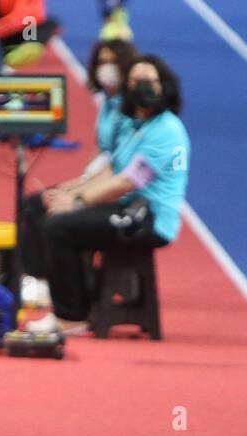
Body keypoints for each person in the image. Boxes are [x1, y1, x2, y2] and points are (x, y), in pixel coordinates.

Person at [31, 54, 188, 332]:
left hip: (148, 220)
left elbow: (128, 182)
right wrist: (73, 189)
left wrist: (77, 202)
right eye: (136, 80)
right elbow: (111, 169)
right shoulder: (133, 125)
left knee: (59, 226)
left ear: (164, 86)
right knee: (40, 206)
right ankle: (49, 286)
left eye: (149, 80)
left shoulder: (167, 130)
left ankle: (71, 316)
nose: (142, 86)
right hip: (125, 208)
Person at [18, 37, 136, 322]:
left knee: (53, 217)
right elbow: (100, 152)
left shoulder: (130, 109)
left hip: (115, 193)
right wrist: (78, 181)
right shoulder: (108, 103)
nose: (107, 68)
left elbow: (119, 168)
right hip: (97, 179)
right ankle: (41, 281)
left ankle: (68, 303)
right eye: (102, 62)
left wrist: (78, 194)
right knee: (35, 203)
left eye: (113, 62)